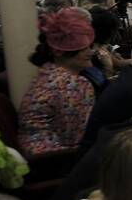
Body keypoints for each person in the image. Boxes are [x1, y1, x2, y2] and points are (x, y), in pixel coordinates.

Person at [17, 8, 98, 156]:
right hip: (57, 160)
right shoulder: (74, 84)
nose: (89, 52)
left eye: (88, 46)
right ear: (59, 52)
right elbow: (78, 138)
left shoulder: (47, 71)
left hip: (37, 155)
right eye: (81, 49)